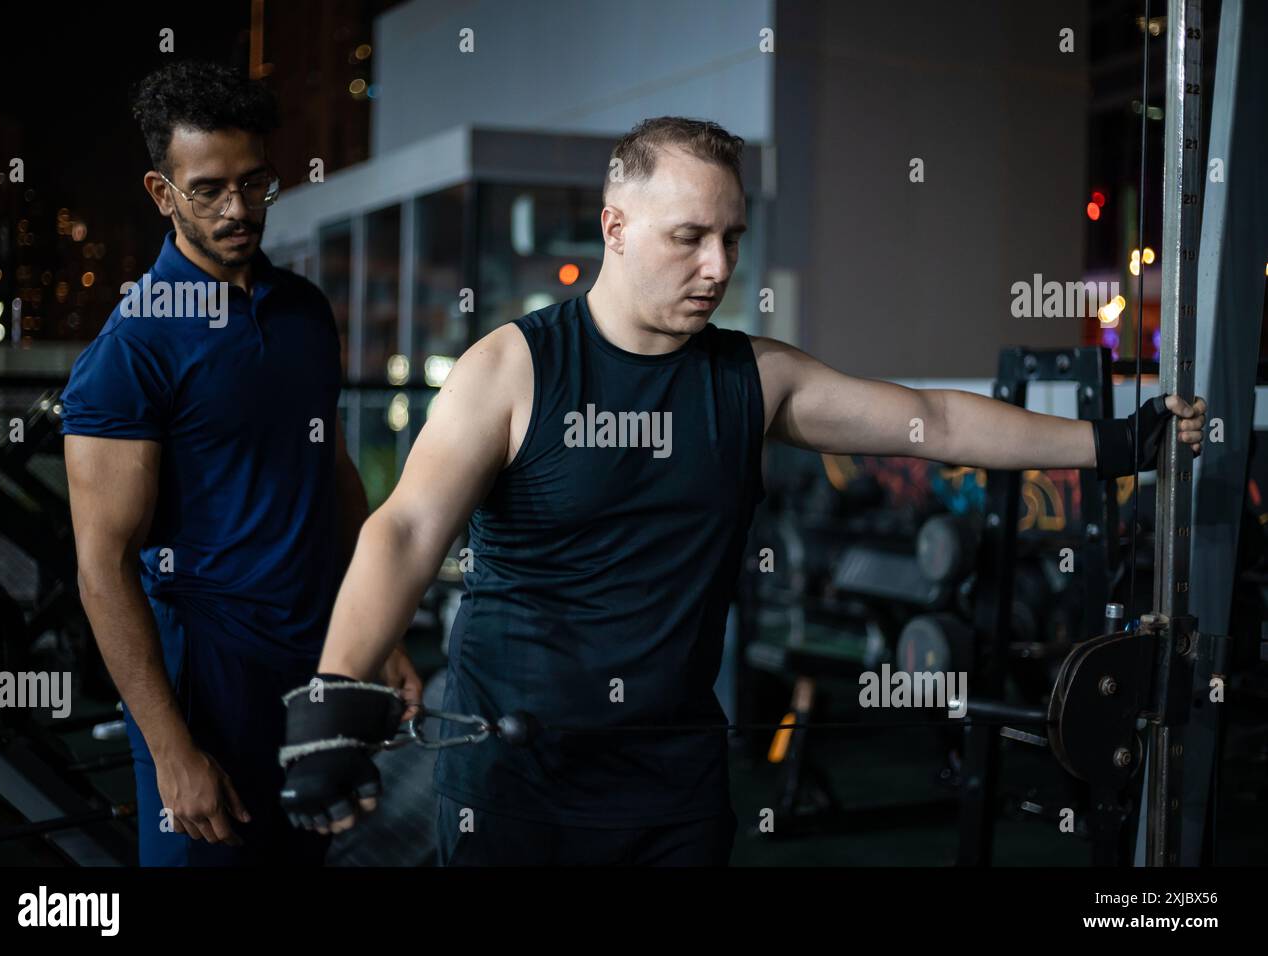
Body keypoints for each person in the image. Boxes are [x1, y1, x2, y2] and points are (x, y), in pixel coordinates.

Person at [279, 116, 1206, 866]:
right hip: (517, 782)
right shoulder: (513, 370)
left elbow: (937, 421)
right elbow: (404, 529)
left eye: (730, 239)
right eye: (689, 238)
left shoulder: (753, 378)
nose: (720, 269)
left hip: (675, 782)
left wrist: (1118, 441)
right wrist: (333, 692)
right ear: (615, 228)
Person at [62, 60, 419, 866]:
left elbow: (329, 477)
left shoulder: (302, 311)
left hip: (310, 673)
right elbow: (102, 567)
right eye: (209, 189)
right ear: (162, 193)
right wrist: (168, 750)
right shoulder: (132, 350)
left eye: (256, 185)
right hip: (204, 688)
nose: (237, 210)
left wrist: (378, 628)